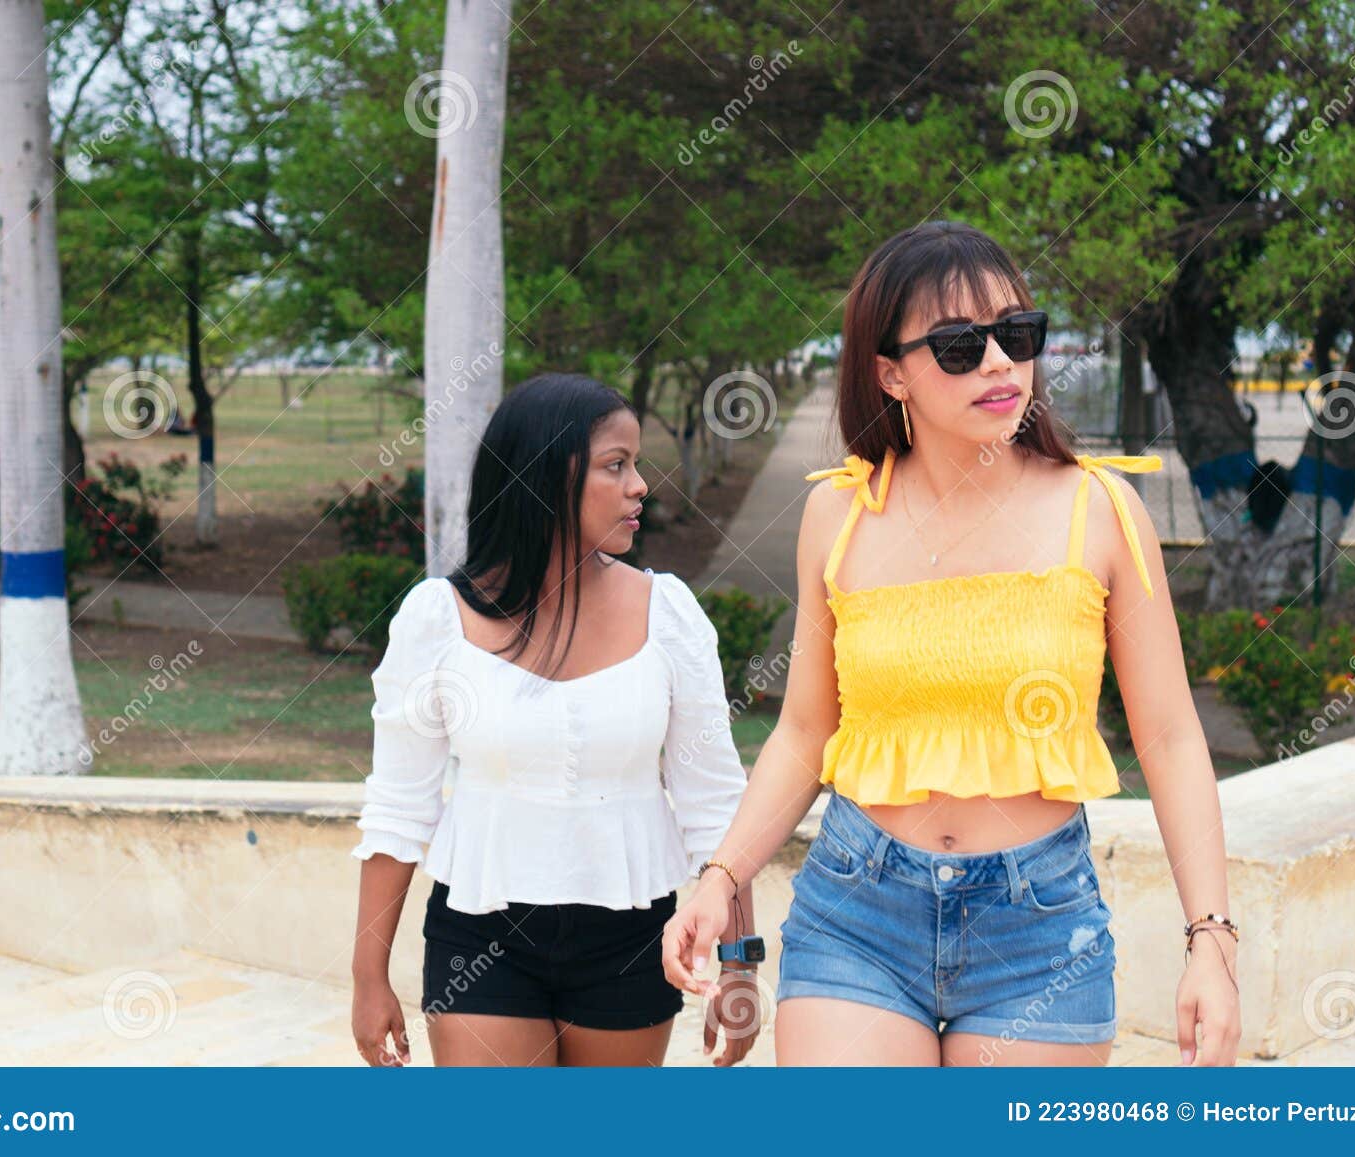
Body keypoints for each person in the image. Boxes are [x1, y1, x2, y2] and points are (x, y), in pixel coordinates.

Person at [662, 220, 1241, 1067]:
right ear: (891, 372)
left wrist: (1211, 943)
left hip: (1038, 930)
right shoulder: (839, 515)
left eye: (1017, 335)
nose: (1002, 363)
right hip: (856, 914)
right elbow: (802, 733)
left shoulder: (1101, 512)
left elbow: (1170, 737)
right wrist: (721, 877)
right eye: (961, 345)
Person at [350, 372, 758, 1067]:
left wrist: (740, 964)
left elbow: (716, 805)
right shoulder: (435, 620)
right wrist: (367, 977)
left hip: (631, 938)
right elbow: (398, 809)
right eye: (616, 465)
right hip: (480, 935)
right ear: (547, 475)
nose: (639, 486)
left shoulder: (672, 614)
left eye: (636, 464)